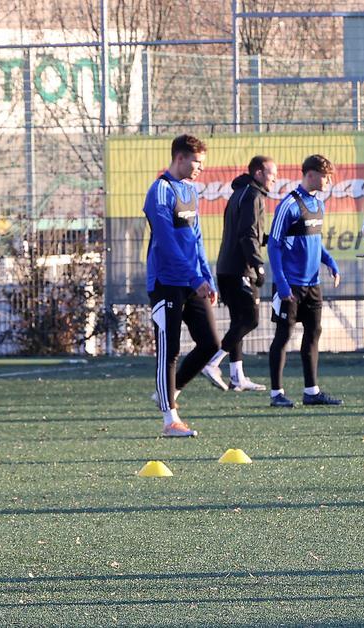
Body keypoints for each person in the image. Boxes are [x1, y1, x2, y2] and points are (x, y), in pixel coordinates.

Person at [143, 134, 219, 436]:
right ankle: (169, 420)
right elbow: (167, 241)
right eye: (196, 162)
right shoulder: (159, 191)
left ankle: (169, 392)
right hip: (167, 283)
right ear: (180, 158)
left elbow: (195, 238)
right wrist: (194, 278)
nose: (200, 168)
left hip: (192, 281)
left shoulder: (189, 190)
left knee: (211, 344)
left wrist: (206, 278)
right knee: (169, 350)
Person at [267, 155, 342, 408]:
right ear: (310, 174)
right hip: (290, 286)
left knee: (313, 334)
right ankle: (276, 393)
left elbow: (315, 242)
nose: (328, 181)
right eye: (325, 175)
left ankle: (311, 392)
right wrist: (282, 283)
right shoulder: (288, 205)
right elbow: (274, 245)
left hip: (313, 284)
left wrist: (330, 262)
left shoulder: (318, 205)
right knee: (283, 335)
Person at [201, 155, 276, 392]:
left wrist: (271, 239)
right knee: (250, 319)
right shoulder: (253, 195)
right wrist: (258, 265)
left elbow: (249, 232)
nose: (275, 179)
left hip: (226, 268)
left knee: (238, 322)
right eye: (272, 174)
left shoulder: (238, 193)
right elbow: (247, 235)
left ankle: (237, 377)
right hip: (239, 269)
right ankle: (213, 363)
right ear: (259, 173)